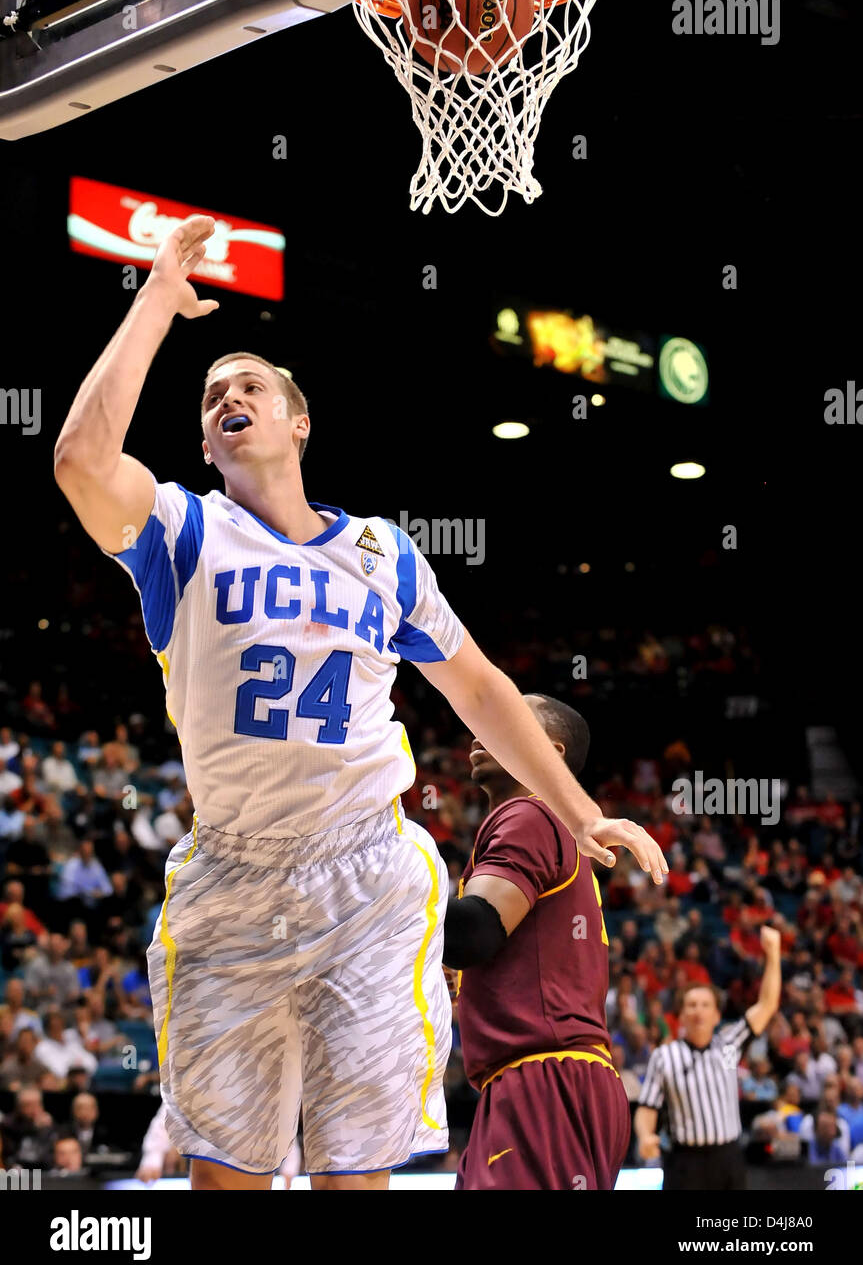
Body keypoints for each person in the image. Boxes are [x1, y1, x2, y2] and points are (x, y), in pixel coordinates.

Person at [53, 215, 667, 1193]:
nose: (229, 394)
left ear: (298, 422)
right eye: (214, 393)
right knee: (227, 1181)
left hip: (369, 871)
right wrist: (155, 304)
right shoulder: (183, 530)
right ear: (206, 439)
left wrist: (582, 813)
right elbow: (82, 461)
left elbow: (478, 687)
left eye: (251, 383)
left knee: (355, 1175)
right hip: (233, 874)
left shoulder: (381, 551)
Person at [444, 696, 631, 1190]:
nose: (480, 726)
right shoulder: (551, 827)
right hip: (549, 1082)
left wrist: (375, 886)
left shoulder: (529, 814)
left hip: (544, 1081)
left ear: (548, 750)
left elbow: (473, 933)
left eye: (505, 718)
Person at [633, 926, 782, 1190]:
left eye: (705, 1005)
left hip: (728, 1158)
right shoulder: (665, 1056)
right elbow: (647, 1107)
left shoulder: (729, 1045)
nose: (698, 1011)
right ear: (680, 1015)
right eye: (691, 1005)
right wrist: (645, 1136)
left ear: (716, 1015)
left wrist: (773, 954)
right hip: (685, 1162)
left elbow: (767, 1004)